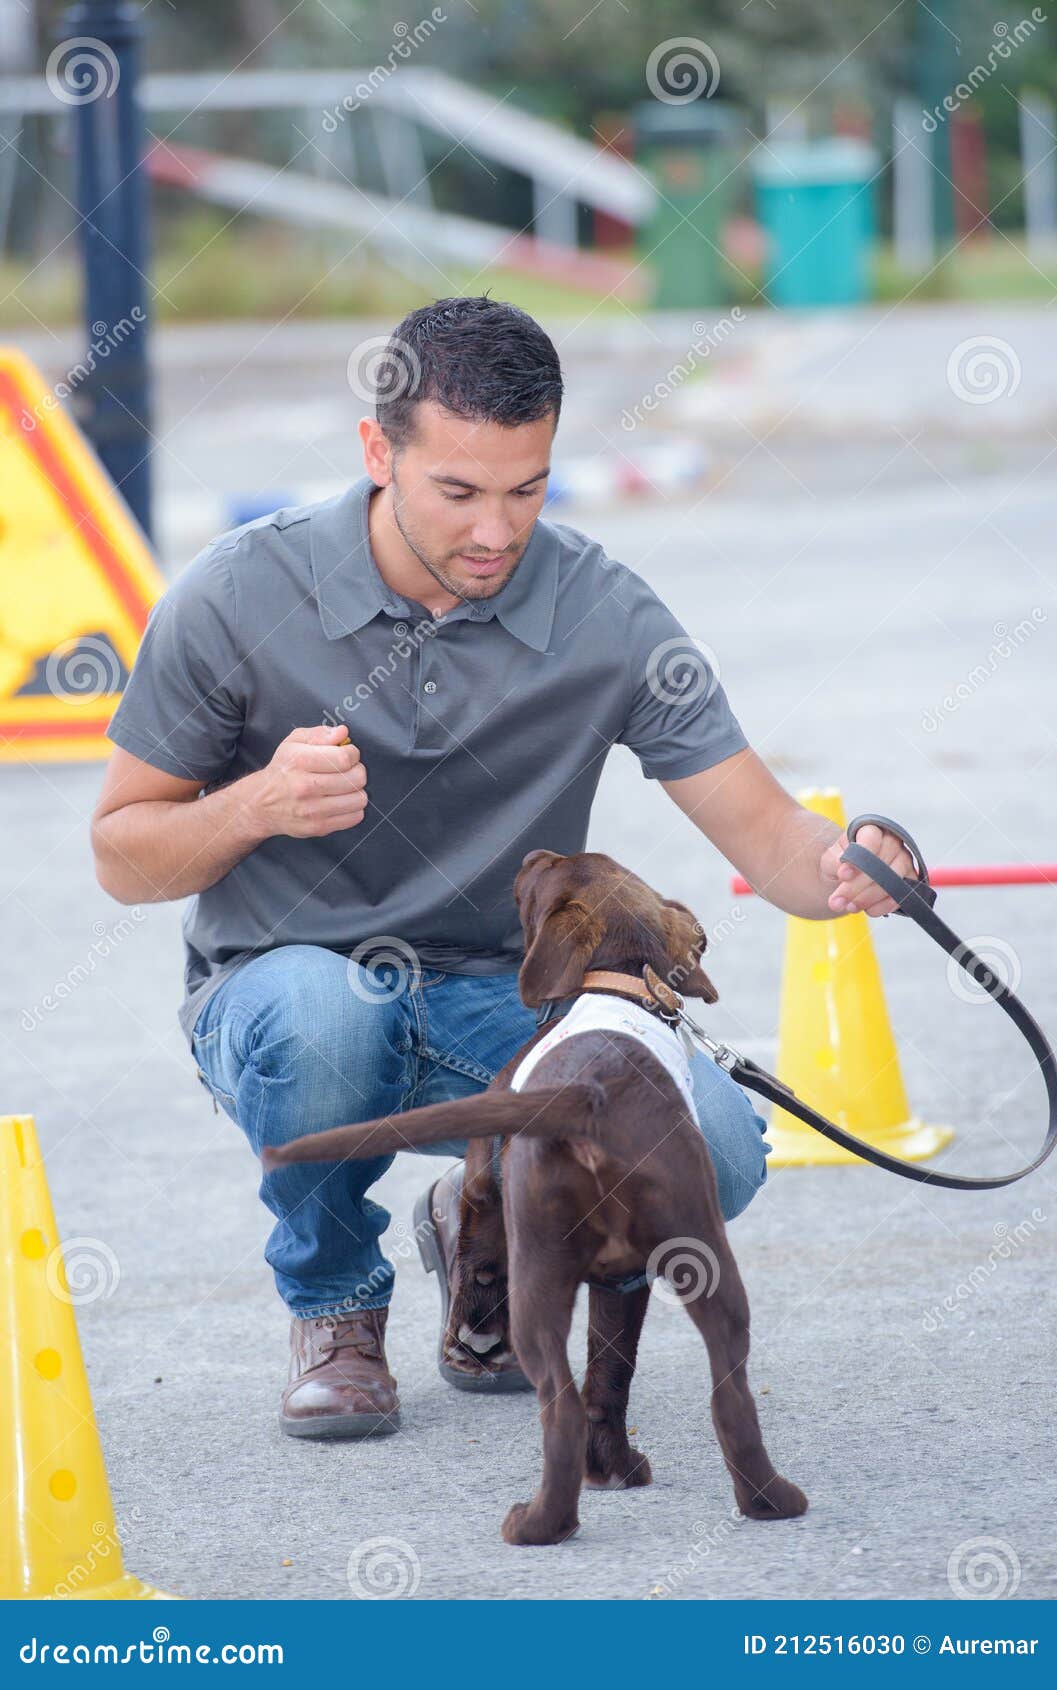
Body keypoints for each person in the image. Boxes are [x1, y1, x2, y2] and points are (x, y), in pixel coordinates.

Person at [91, 295, 916, 1439]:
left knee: (718, 1157)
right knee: (329, 1021)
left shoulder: (606, 612)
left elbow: (770, 833)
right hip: (291, 991)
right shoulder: (236, 598)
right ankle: (335, 1305)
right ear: (379, 452)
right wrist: (260, 803)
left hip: (508, 1003)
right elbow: (121, 854)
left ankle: (476, 1221)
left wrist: (853, 865)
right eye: (461, 492)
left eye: (526, 489)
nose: (497, 531)